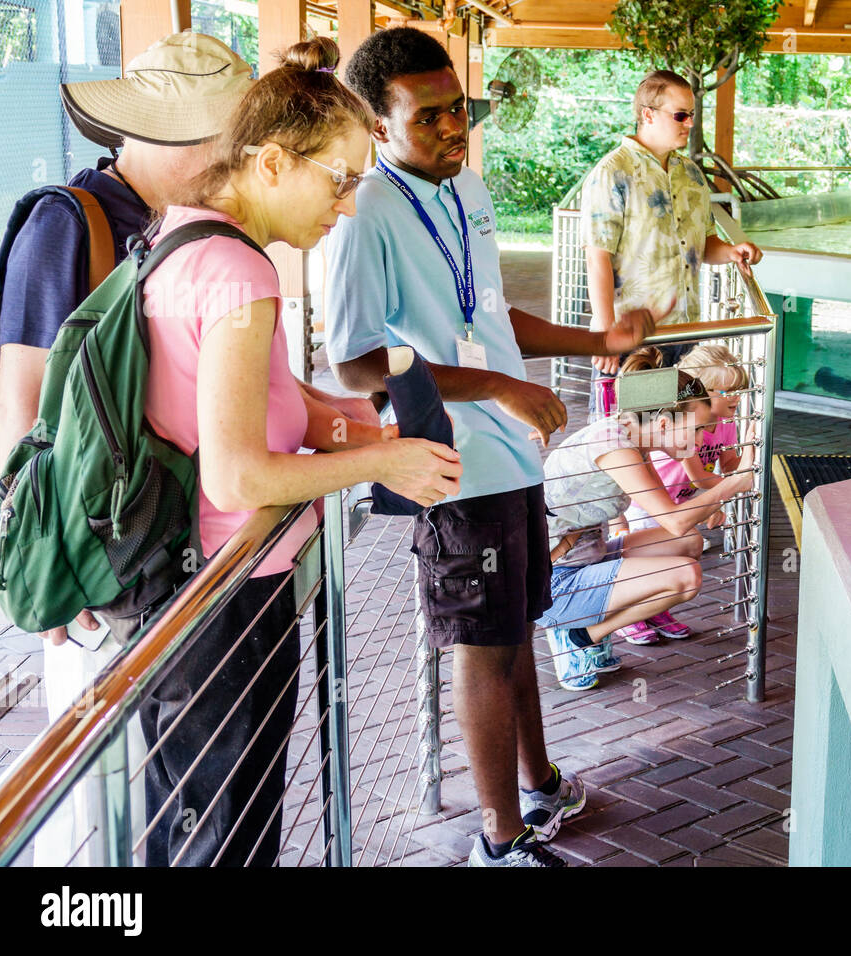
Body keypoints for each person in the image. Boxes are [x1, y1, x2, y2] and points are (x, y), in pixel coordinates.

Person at [325, 27, 656, 867]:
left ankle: (539, 785)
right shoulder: (364, 214)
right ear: (377, 125)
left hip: (510, 453)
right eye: (426, 116)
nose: (451, 127)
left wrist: (597, 341)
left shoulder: (467, 184)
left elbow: (492, 315)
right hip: (449, 463)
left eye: (458, 108)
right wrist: (498, 388)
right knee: (481, 645)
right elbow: (355, 357)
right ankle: (499, 844)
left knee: (514, 626)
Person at [136, 36, 462, 867]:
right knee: (230, 835)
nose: (350, 205)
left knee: (191, 823)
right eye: (342, 179)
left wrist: (353, 425)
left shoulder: (188, 239)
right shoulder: (242, 277)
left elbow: (260, 405)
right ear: (274, 163)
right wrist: (385, 463)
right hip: (229, 603)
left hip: (187, 598)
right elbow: (240, 472)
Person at [0, 31, 254, 867]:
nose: (237, 161)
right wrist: (49, 569)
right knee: (92, 817)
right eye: (226, 142)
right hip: (92, 571)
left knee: (159, 800)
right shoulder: (69, 224)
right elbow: (21, 408)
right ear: (167, 137)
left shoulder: (175, 222)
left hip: (154, 559)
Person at [538, 349, 755, 690]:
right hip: (551, 582)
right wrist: (732, 484)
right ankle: (581, 634)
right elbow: (673, 519)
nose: (701, 441)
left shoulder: (632, 438)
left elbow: (676, 522)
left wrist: (713, 501)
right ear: (665, 423)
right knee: (685, 576)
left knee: (690, 543)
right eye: (697, 429)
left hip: (584, 559)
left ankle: (587, 625)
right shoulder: (615, 446)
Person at [579, 69, 763, 413]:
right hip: (633, 339)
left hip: (686, 336)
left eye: (691, 114)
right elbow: (597, 257)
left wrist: (732, 251)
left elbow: (702, 243)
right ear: (647, 114)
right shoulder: (611, 172)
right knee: (630, 444)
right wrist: (605, 335)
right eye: (680, 115)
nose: (689, 123)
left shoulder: (692, 174)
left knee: (677, 443)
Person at [617, 343, 753, 640]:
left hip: (678, 499)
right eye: (725, 391)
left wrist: (751, 449)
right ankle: (631, 615)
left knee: (677, 557)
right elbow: (701, 477)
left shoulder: (726, 423)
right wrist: (726, 494)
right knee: (647, 565)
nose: (736, 398)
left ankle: (655, 610)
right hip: (651, 503)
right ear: (701, 392)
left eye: (738, 390)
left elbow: (728, 464)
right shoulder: (689, 427)